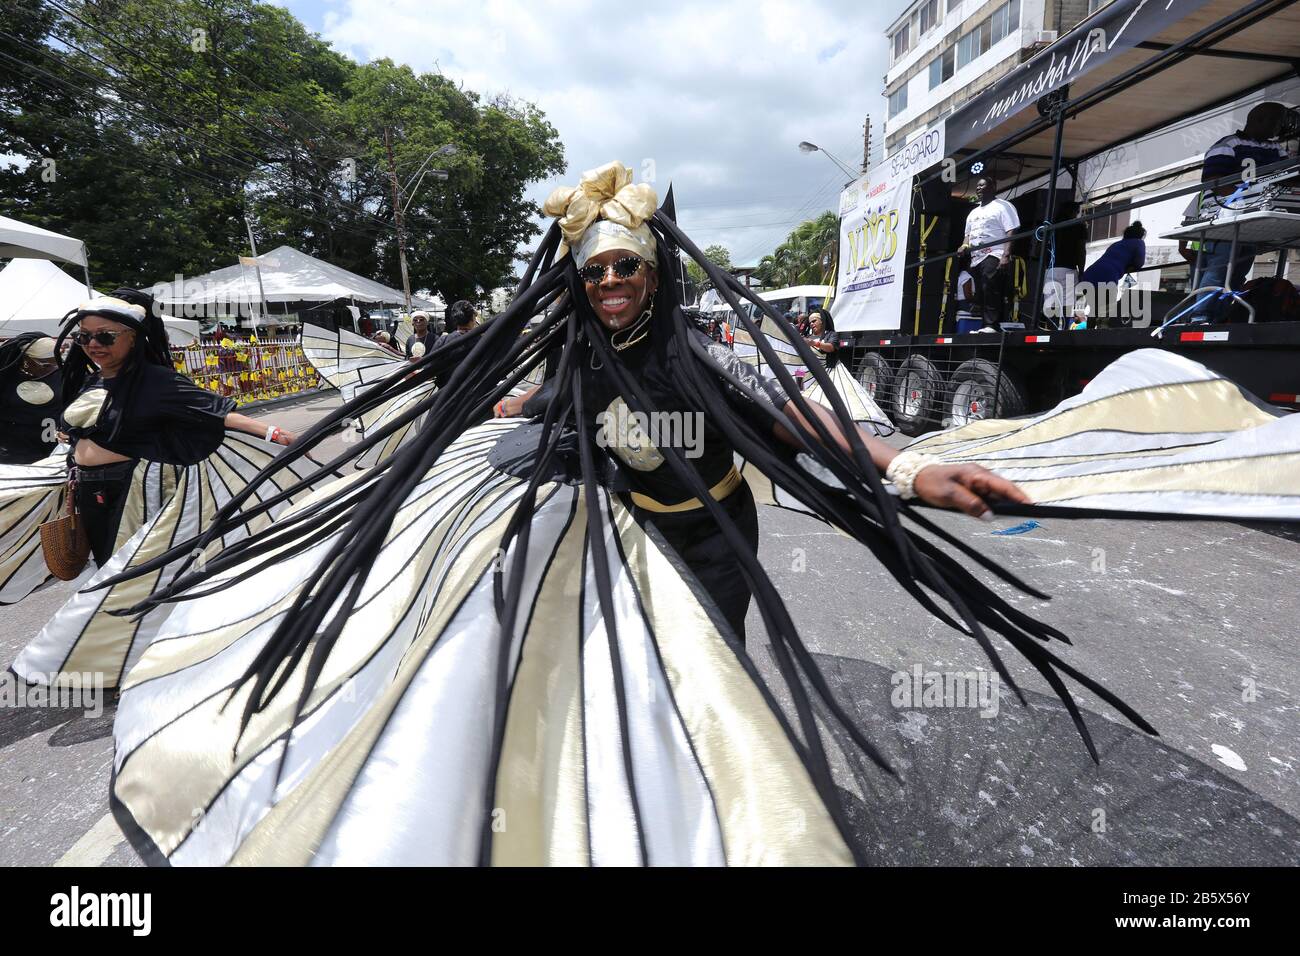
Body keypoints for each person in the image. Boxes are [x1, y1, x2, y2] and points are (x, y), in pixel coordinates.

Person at [104, 161, 1153, 868]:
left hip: (713, 536)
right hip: (627, 544)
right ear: (575, 277)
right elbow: (501, 398)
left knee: (715, 684)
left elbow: (795, 414)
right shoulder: (563, 352)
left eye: (625, 266)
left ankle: (728, 817)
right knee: (624, 686)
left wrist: (911, 468)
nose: (609, 281)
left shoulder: (696, 351)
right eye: (594, 267)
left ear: (651, 271)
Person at [57, 292, 295, 565]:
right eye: (84, 337)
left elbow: (218, 413)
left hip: (132, 490)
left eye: (105, 336)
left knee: (129, 564)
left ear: (132, 336)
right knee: (103, 561)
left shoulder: (157, 380)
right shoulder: (92, 380)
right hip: (86, 487)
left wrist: (273, 434)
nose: (93, 344)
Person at [1187, 102, 1297, 321]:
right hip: (1223, 219)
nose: (1279, 129)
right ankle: (1200, 316)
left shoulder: (1276, 150)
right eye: (1277, 123)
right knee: (1220, 268)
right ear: (1260, 120)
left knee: (1237, 273)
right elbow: (1212, 182)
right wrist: (1248, 195)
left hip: (1251, 220)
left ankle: (1219, 316)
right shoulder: (1228, 145)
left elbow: (1289, 178)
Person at [959, 177, 1020, 330]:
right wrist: (964, 245)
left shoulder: (1003, 206)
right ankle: (987, 324)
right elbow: (968, 234)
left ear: (993, 186)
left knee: (990, 288)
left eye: (982, 185)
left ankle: (991, 325)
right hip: (976, 258)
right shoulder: (973, 212)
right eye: (977, 186)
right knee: (981, 292)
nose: (978, 188)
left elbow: (1011, 229)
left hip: (995, 252)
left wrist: (1006, 255)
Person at [0, 333, 62, 463]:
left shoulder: (63, 376)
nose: (54, 367)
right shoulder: (5, 380)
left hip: (55, 452)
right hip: (12, 454)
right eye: (46, 364)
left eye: (57, 361)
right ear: (27, 360)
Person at [1079, 222, 1147, 327]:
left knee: (1094, 310)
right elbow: (1139, 263)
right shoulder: (1138, 243)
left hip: (1089, 274)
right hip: (1107, 277)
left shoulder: (1116, 244)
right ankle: (1100, 340)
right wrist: (1127, 268)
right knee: (1106, 313)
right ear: (1141, 235)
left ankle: (1087, 338)